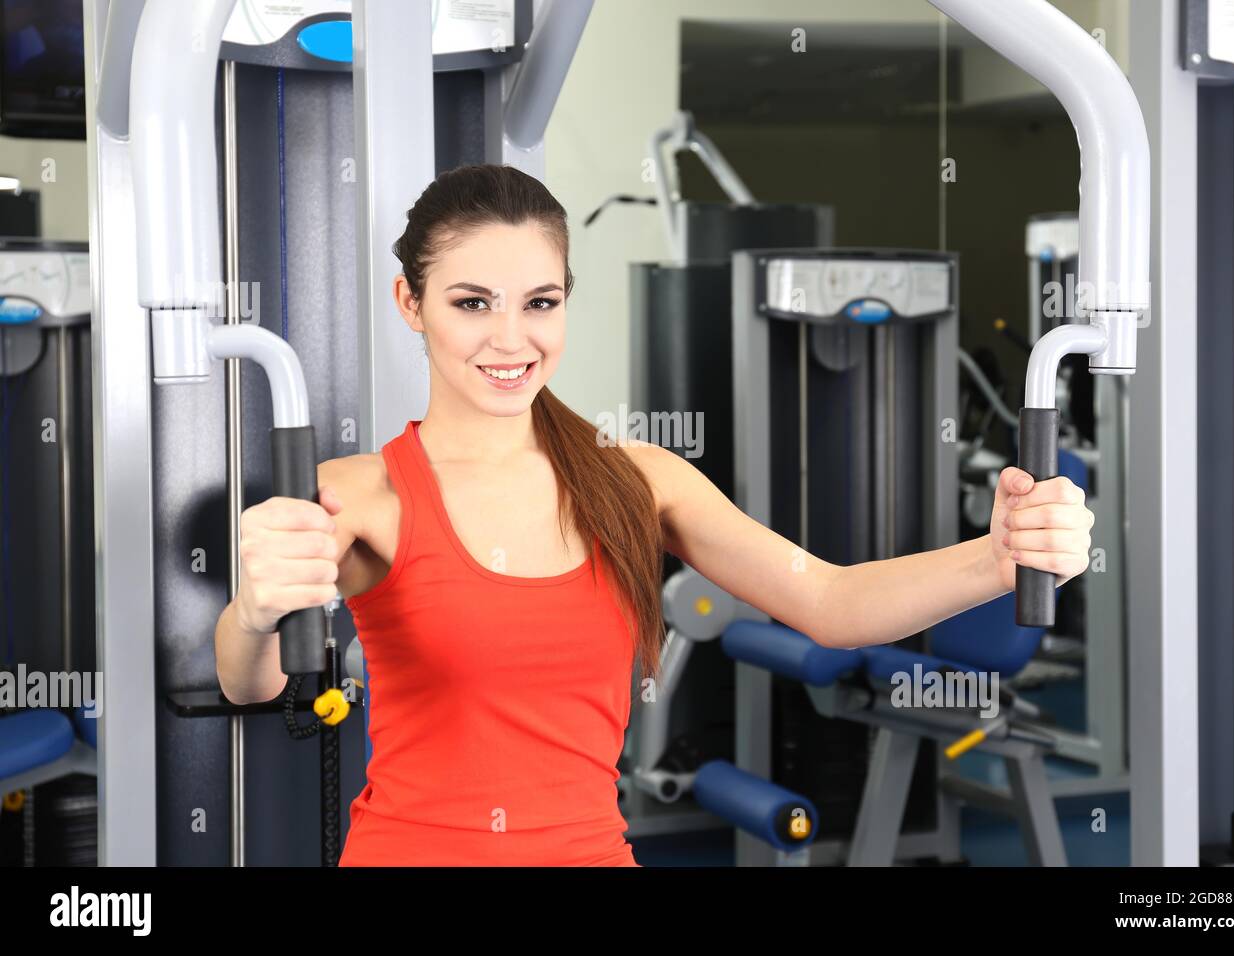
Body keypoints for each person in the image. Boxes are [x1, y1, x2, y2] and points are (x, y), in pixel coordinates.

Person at [213, 163, 1093, 867]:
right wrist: (254, 611)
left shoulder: (636, 481)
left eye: (540, 303)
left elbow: (831, 603)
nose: (511, 339)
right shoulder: (361, 492)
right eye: (472, 302)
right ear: (413, 305)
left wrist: (999, 556)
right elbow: (249, 683)